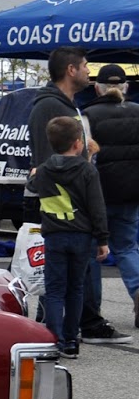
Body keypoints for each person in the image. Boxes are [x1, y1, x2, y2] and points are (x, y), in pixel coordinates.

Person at [26, 46, 129, 344]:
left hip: (74, 215)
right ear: (71, 70)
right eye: (84, 66)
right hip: (64, 216)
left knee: (71, 280)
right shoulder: (48, 106)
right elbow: (50, 167)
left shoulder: (67, 105)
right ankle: (58, 331)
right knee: (59, 281)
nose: (88, 71)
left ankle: (78, 325)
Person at [28, 116, 110, 358]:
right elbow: (97, 206)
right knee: (76, 288)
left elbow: (32, 187)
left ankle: (53, 340)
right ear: (78, 143)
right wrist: (102, 239)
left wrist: (33, 174)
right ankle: (71, 340)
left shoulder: (43, 170)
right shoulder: (87, 170)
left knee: (54, 289)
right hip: (82, 236)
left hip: (54, 236)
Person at [83, 64, 139, 326]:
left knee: (95, 251)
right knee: (128, 247)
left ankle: (91, 312)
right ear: (126, 87)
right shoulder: (138, 112)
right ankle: (138, 291)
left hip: (99, 195)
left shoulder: (88, 115)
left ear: (97, 87)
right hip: (131, 193)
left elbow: (85, 158)